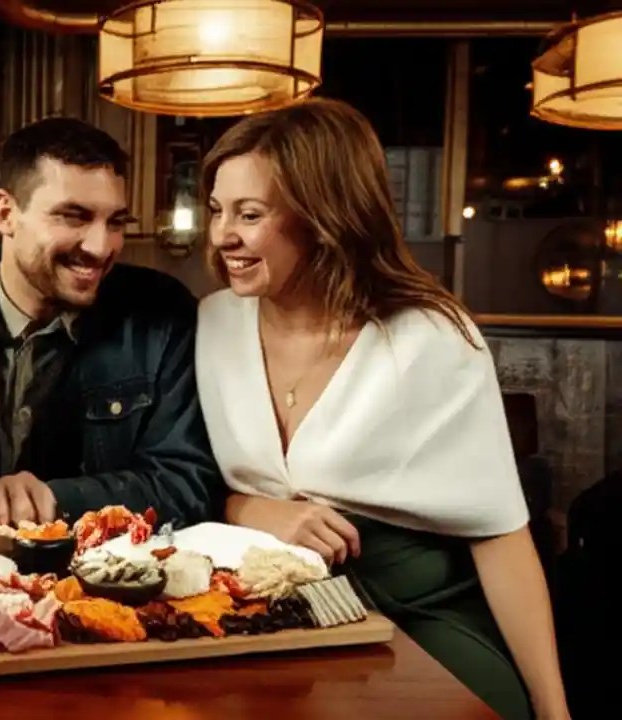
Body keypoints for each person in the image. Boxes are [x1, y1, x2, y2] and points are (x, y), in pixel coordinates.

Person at [194, 97, 570, 720]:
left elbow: (501, 533)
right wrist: (248, 506)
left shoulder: (433, 338)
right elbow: (190, 481)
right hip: (270, 621)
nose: (222, 234)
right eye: (217, 210)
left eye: (250, 214)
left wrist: (553, 708)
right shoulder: (211, 325)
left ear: (322, 216)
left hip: (419, 616)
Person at [0, 116, 222, 529]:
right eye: (73, 217)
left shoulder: (163, 314)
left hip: (103, 586)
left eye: (116, 222)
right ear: (5, 213)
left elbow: (188, 486)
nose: (101, 247)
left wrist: (56, 499)